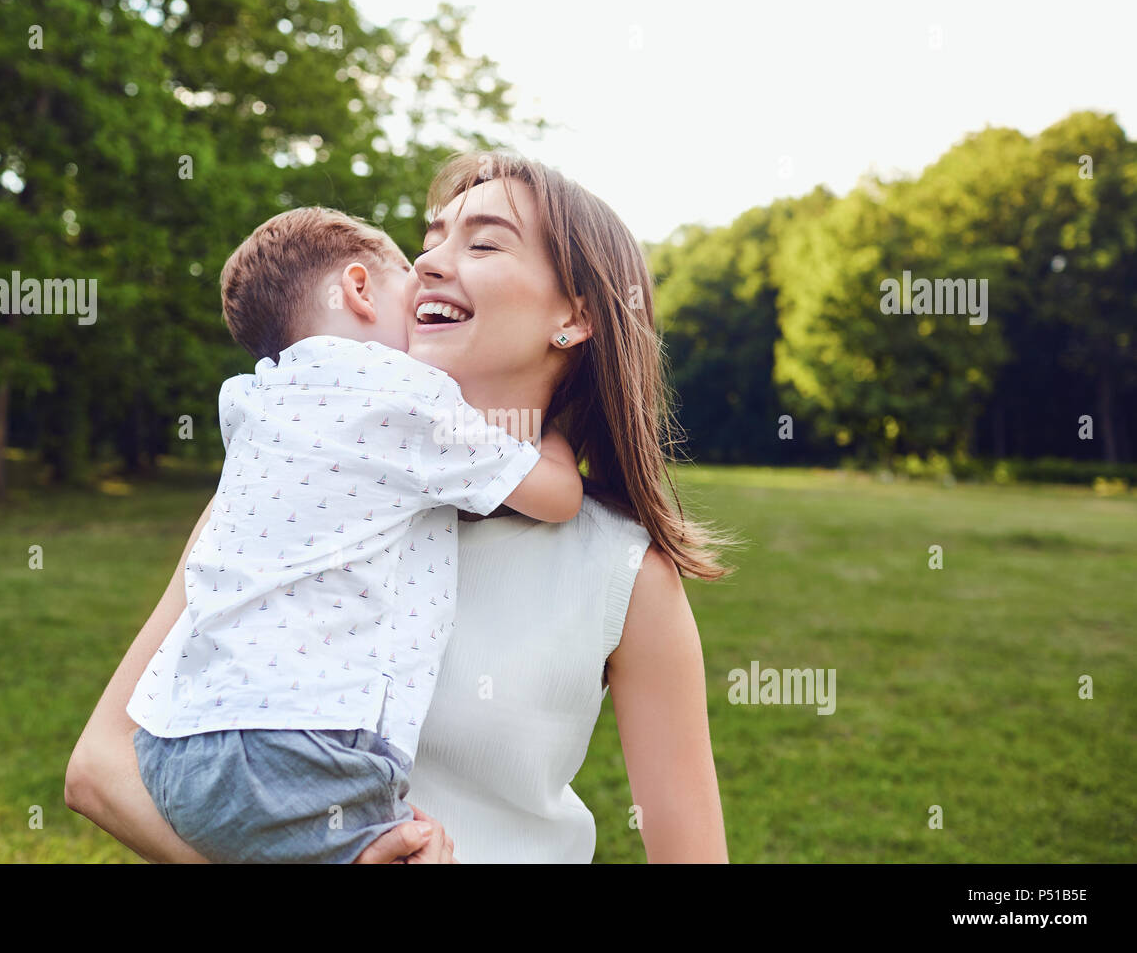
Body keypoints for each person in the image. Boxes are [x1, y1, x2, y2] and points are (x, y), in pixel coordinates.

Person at [66, 150, 731, 863]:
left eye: (482, 242)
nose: (430, 266)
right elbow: (101, 769)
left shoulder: (624, 572)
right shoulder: (277, 499)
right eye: (430, 240)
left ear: (575, 315)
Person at [125, 207, 582, 863]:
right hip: (301, 745)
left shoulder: (257, 402)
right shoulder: (404, 395)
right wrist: (555, 432)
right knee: (413, 849)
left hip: (173, 749)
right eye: (409, 272)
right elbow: (557, 497)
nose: (425, 282)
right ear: (362, 289)